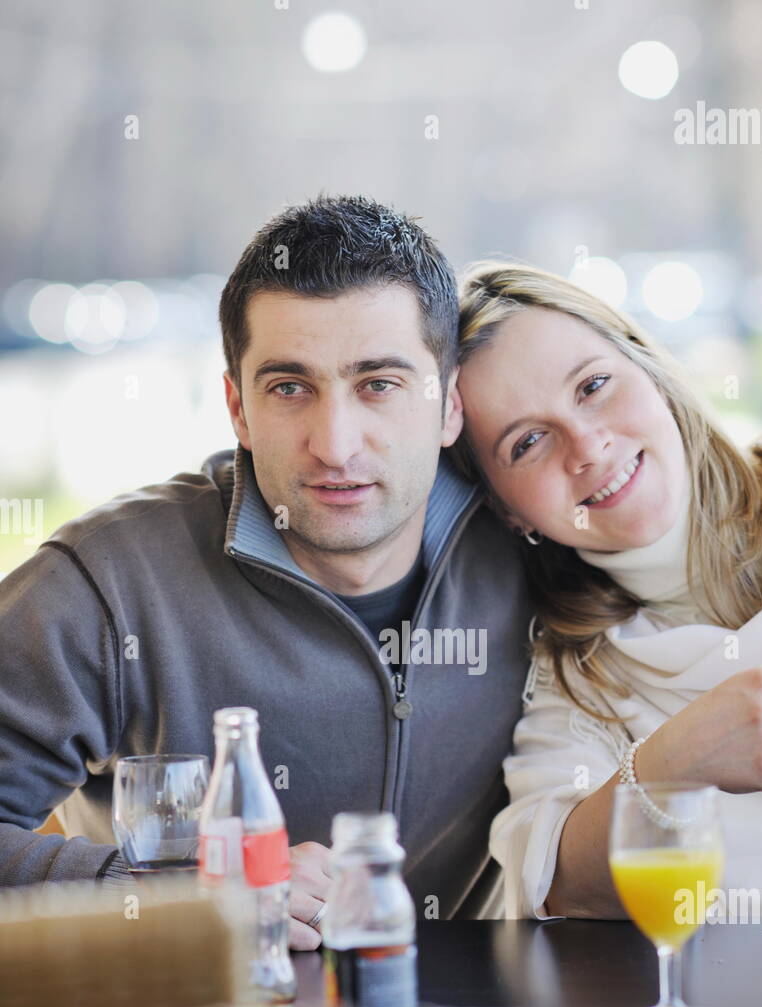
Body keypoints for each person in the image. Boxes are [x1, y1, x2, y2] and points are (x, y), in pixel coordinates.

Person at [0, 198, 535, 941]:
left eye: (378, 384)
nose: (336, 444)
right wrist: (177, 898)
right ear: (238, 408)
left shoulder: (535, 548)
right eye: (290, 388)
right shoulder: (108, 585)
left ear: (448, 404)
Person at [450, 260, 762, 918]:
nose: (586, 445)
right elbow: (551, 881)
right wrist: (676, 760)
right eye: (528, 441)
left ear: (651, 369)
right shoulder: (582, 680)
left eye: (592, 386)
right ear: (510, 512)